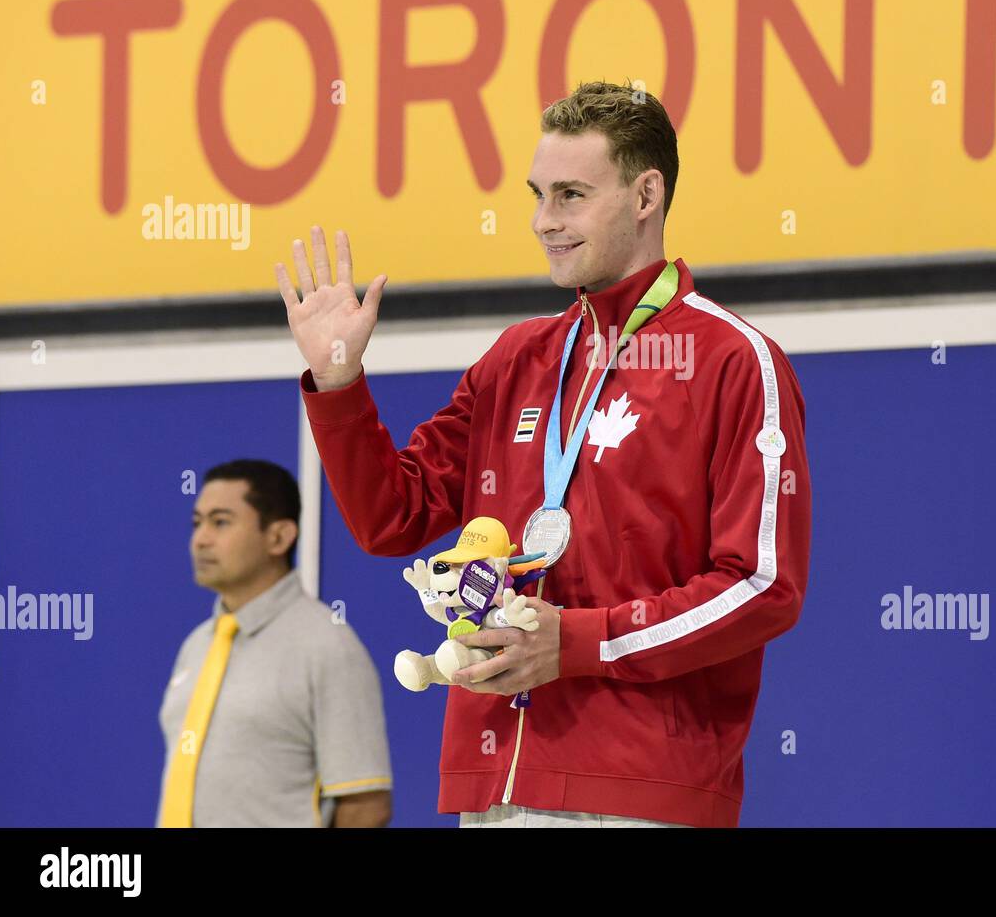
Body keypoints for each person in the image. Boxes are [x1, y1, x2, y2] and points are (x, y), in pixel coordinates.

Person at [275, 80, 811, 828]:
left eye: (569, 195)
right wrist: (338, 383)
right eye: (537, 195)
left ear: (645, 194)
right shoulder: (518, 358)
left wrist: (579, 643)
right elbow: (389, 519)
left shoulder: (729, 359)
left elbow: (761, 585)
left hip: (640, 793)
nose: (542, 222)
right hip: (491, 789)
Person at [157, 459, 393, 827]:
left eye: (220, 522)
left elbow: (365, 807)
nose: (201, 539)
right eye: (197, 522)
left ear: (279, 536)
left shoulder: (328, 645)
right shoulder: (197, 644)